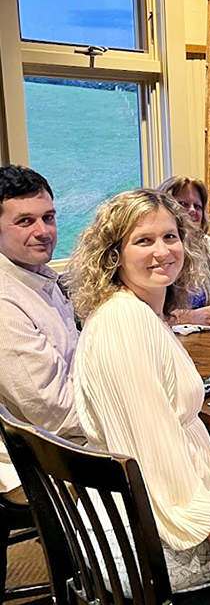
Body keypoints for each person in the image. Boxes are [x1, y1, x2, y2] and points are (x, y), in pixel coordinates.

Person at [67, 189, 210, 605]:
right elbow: (152, 455)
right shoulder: (125, 324)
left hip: (134, 511)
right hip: (141, 539)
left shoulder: (138, 312)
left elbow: (162, 428)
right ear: (113, 254)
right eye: (143, 240)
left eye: (170, 237)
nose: (162, 251)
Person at [0, 164, 82, 500]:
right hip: (35, 458)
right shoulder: (5, 302)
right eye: (24, 221)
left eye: (48, 217)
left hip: (65, 431)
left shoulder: (41, 276)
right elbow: (56, 413)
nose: (43, 231)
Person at [157, 175, 210, 326]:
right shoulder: (160, 252)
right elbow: (152, 313)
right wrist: (191, 317)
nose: (192, 211)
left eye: (197, 206)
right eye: (183, 204)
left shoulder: (205, 244)